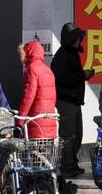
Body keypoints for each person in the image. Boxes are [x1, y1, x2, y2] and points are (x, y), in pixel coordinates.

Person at [49, 24, 91, 179]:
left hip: (73, 100)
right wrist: (82, 75)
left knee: (77, 134)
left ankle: (72, 164)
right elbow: (61, 79)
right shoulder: (63, 55)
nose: (79, 41)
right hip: (66, 100)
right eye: (76, 38)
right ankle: (67, 167)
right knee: (69, 135)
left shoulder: (71, 53)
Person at [17, 41, 58, 138]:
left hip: (36, 122)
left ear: (28, 52)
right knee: (46, 151)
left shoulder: (31, 69)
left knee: (32, 151)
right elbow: (53, 98)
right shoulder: (48, 70)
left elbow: (28, 97)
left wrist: (20, 120)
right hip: (49, 120)